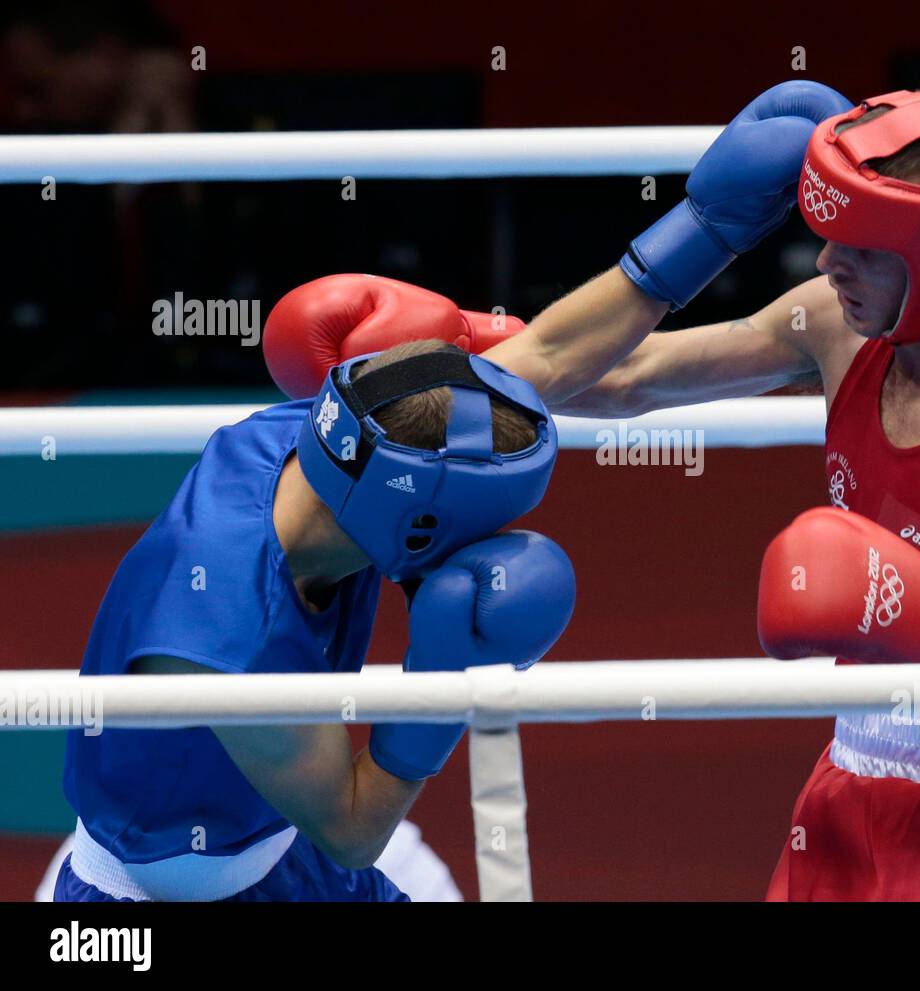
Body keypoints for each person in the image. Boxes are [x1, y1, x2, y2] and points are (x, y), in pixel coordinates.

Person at [54, 80, 851, 901]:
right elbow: (358, 826)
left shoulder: (322, 440)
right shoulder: (224, 642)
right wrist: (439, 678)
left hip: (282, 843)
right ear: (418, 524)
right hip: (162, 894)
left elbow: (545, 356)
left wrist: (708, 227)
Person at [554, 81, 920, 900]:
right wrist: (467, 359)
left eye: (863, 245)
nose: (827, 263)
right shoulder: (835, 322)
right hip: (843, 772)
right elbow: (630, 377)